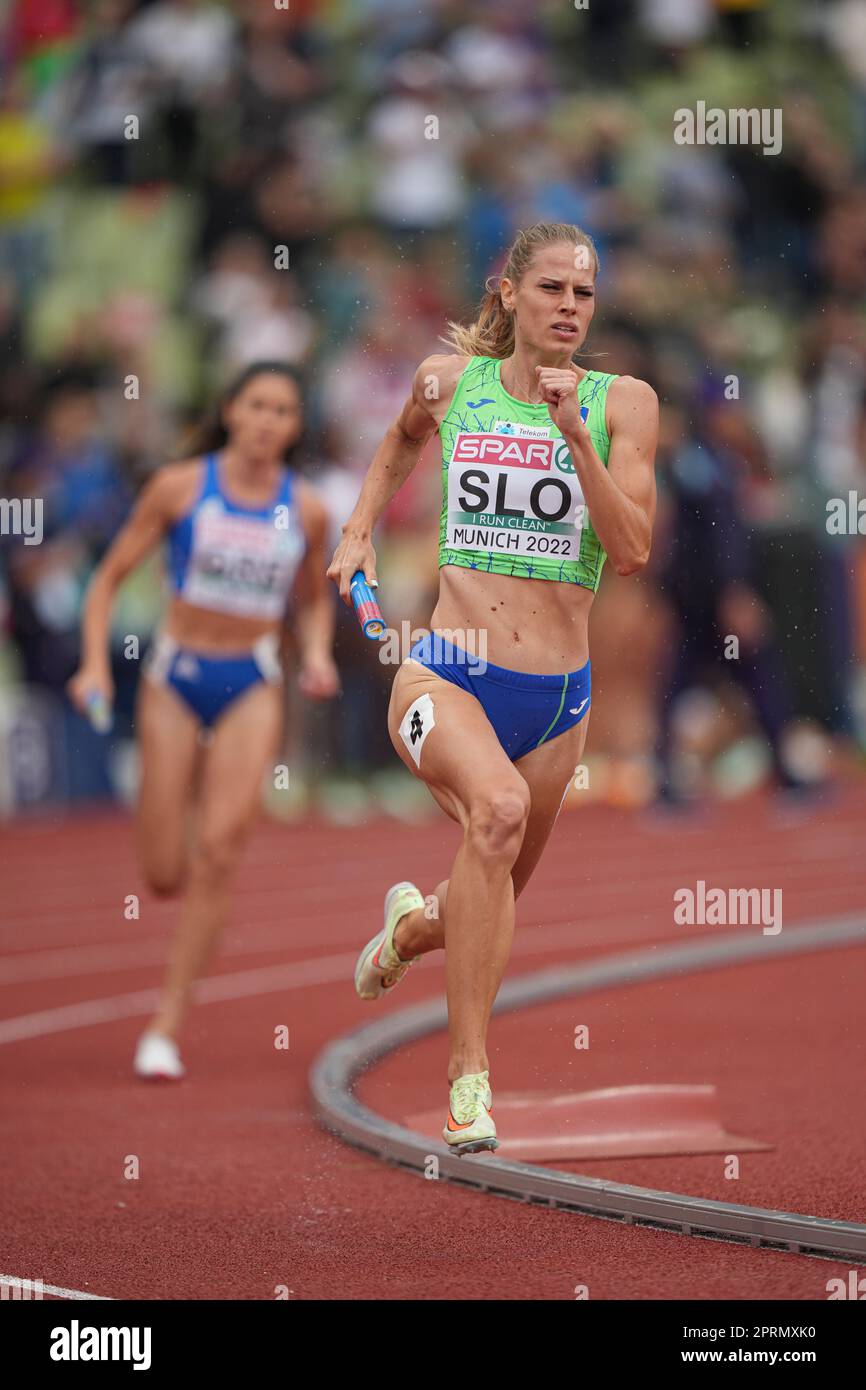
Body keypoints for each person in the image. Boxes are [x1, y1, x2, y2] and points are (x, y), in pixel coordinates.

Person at [328, 222, 658, 1153]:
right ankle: (468, 1078)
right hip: (446, 671)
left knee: (488, 886)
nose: (569, 307)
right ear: (508, 293)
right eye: (551, 288)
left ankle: (409, 931)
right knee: (499, 812)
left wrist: (575, 438)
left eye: (583, 294)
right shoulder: (450, 384)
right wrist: (358, 530)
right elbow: (400, 439)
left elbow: (632, 550)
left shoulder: (624, 404)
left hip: (557, 704)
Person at [69, 361, 338, 1079]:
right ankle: (180, 817)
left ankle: (167, 1024)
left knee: (219, 852)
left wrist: (316, 653)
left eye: (282, 410)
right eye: (256, 405)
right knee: (163, 874)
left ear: (296, 425)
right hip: (177, 677)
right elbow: (106, 580)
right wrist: (94, 666)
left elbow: (314, 597)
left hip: (251, 679)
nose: (267, 421)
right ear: (229, 410)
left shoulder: (306, 508)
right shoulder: (180, 486)